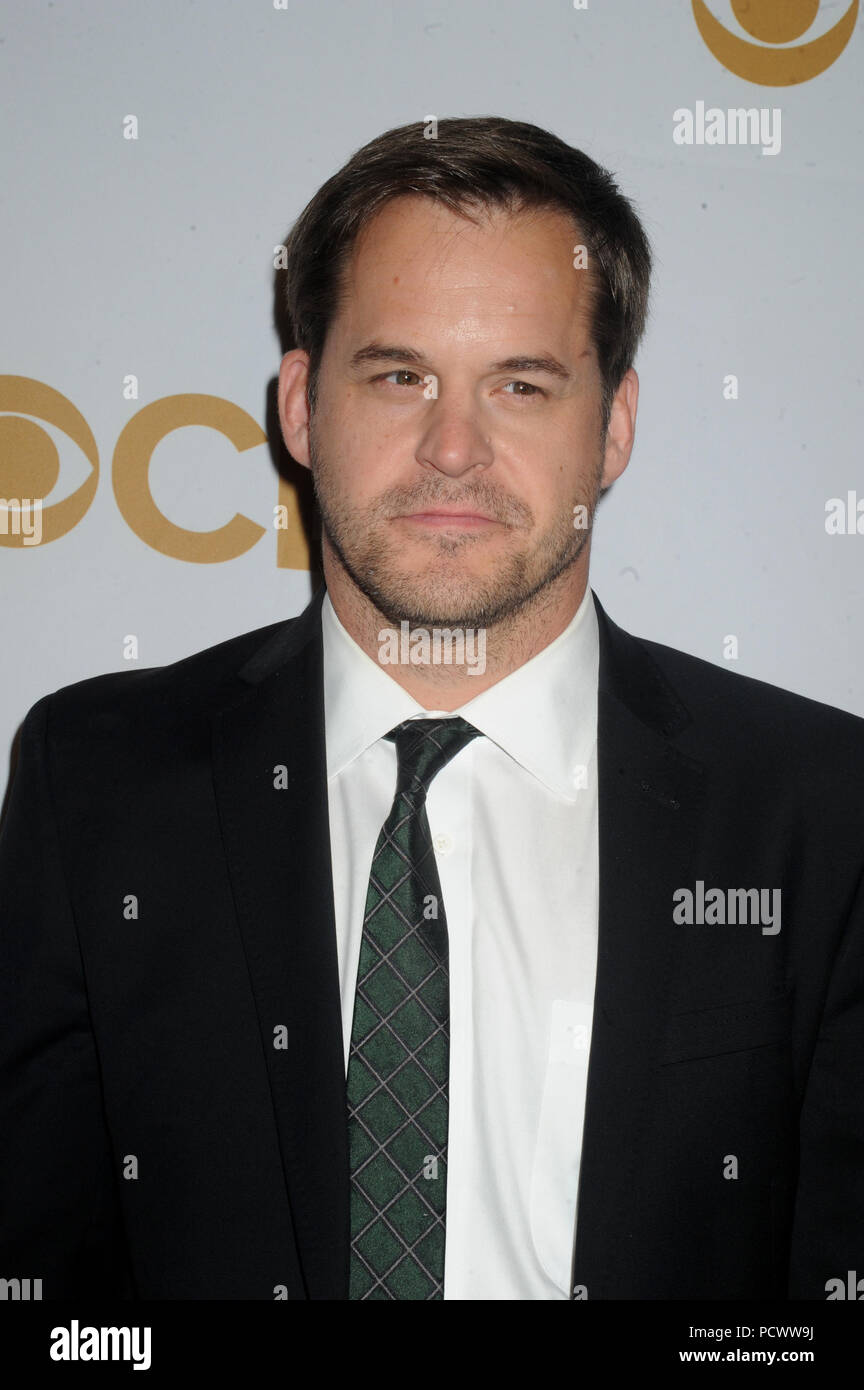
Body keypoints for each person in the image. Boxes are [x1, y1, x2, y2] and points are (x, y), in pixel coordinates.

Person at [1, 116, 862, 1301]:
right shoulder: (94, 782)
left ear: (612, 425)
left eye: (521, 383)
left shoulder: (819, 808)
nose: (452, 449)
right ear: (301, 406)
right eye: (399, 375)